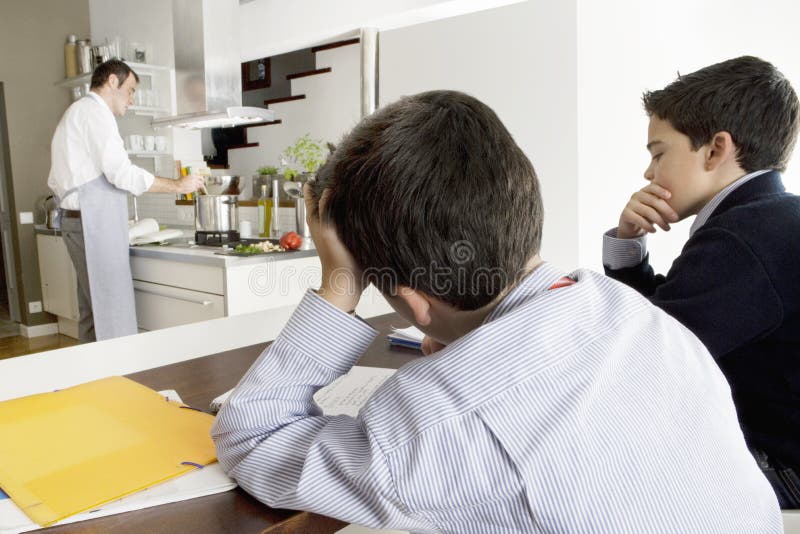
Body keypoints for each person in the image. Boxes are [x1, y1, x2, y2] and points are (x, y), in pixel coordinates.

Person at [212, 90, 781, 532]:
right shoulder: (631, 312)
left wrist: (339, 282)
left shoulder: (438, 427)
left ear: (412, 302)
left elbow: (251, 435)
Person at [602, 56, 800, 509]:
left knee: (597, 475)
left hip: (784, 469)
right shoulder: (769, 218)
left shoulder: (744, 237)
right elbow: (665, 322)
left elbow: (645, 354)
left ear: (715, 150)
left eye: (658, 154)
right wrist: (629, 244)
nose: (648, 174)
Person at [47, 60, 203, 342]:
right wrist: (177, 185)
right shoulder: (94, 113)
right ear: (111, 82)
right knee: (110, 310)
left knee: (94, 312)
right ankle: (120, 379)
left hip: (84, 223)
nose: (131, 100)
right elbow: (121, 174)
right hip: (91, 225)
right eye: (130, 90)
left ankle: (97, 381)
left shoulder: (79, 112)